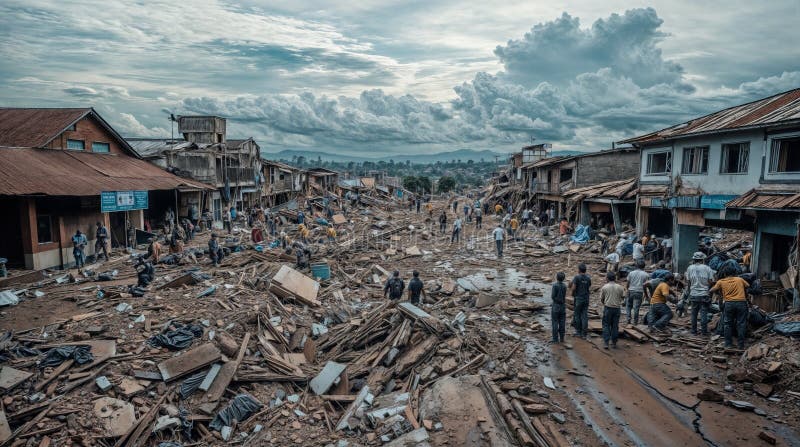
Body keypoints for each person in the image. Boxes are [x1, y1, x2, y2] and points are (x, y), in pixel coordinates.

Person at [709, 273, 750, 349]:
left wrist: (719, 291)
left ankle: (728, 344)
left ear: (725, 274)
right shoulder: (740, 279)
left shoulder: (721, 281)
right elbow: (748, 286)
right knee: (741, 323)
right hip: (741, 303)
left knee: (728, 324)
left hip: (729, 304)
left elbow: (711, 290)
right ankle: (741, 345)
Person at [685, 252, 715, 335]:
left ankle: (693, 331)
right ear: (702, 259)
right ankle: (704, 332)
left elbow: (688, 282)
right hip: (704, 294)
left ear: (694, 259)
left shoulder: (689, 268)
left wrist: (689, 293)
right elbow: (711, 282)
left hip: (694, 294)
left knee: (694, 314)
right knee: (703, 314)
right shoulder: (707, 268)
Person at [600, 272, 625, 349]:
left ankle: (606, 343)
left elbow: (602, 299)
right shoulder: (620, 287)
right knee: (615, 326)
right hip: (617, 308)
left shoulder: (605, 287)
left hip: (608, 308)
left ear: (607, 278)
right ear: (615, 278)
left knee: (606, 325)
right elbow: (623, 297)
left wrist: (605, 303)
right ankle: (614, 342)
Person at [570, 263, 592, 338]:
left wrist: (572, 294)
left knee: (577, 314)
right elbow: (589, 286)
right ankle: (584, 334)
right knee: (584, 315)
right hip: (586, 298)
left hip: (578, 298)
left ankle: (578, 332)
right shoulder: (588, 278)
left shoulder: (577, 277)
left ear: (579, 270)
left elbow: (573, 287)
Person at [625, 260, 649, 325]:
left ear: (636, 266)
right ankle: (635, 322)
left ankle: (628, 319)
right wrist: (646, 296)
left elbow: (627, 284)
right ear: (644, 266)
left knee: (628, 306)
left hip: (631, 291)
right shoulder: (646, 275)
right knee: (636, 308)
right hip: (639, 292)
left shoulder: (631, 273)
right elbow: (645, 286)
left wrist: (627, 290)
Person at [550, 272, 567, 343]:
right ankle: (562, 338)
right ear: (563, 278)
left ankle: (555, 339)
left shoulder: (555, 285)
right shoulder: (564, 286)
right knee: (562, 322)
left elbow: (553, 296)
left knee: (555, 322)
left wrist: (556, 300)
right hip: (563, 305)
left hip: (556, 305)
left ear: (557, 277)